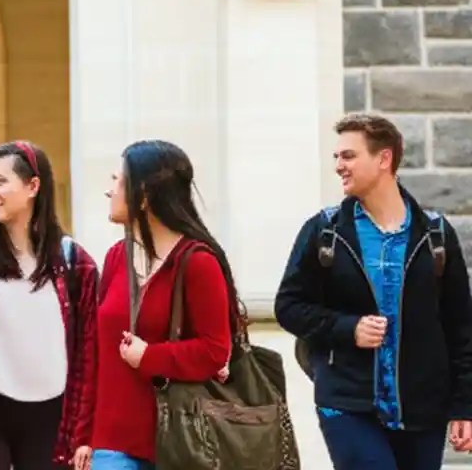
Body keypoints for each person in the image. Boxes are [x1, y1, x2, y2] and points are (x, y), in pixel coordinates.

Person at [274, 113, 472, 469]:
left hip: (422, 408)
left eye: (348, 156)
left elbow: (461, 328)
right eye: (336, 157)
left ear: (384, 159)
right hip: (347, 402)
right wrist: (347, 328)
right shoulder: (325, 232)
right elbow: (288, 306)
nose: (338, 166)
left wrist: (464, 405)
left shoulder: (436, 237)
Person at [90, 140, 238, 470]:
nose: (109, 191)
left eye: (117, 181)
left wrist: (149, 357)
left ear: (143, 197)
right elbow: (96, 352)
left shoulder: (198, 262)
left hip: (182, 442)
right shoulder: (117, 256)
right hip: (112, 443)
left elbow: (215, 351)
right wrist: (83, 435)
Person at [0, 141, 100, 470]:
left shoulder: (75, 262)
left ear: (33, 186)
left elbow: (89, 354)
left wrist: (84, 431)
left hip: (52, 415)